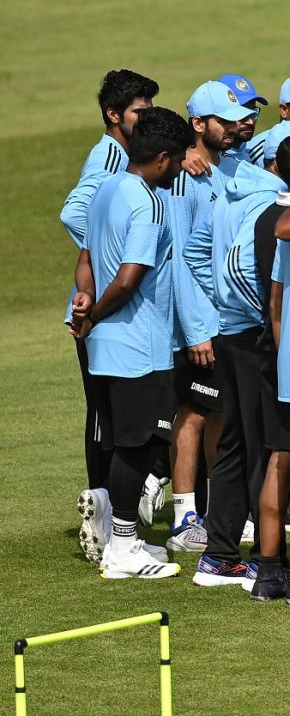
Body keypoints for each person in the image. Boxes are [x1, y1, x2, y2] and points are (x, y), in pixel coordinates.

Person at [70, 106, 193, 579]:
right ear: (162, 158)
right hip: (139, 346)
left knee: (127, 444)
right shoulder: (149, 202)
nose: (181, 167)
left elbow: (86, 257)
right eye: (179, 159)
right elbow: (127, 280)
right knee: (136, 447)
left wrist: (84, 299)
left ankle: (127, 539)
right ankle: (122, 548)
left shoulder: (105, 190)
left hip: (109, 346)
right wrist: (95, 313)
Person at [182, 119, 290, 587]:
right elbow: (236, 264)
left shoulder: (227, 194)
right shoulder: (263, 196)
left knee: (231, 444)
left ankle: (220, 553)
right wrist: (259, 314)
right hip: (249, 338)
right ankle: (266, 559)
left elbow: (195, 254)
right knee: (259, 447)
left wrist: (220, 308)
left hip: (230, 333)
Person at [227, 129, 290, 601]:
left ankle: (270, 569)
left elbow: (270, 296)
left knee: (276, 459)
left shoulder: (263, 217)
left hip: (271, 348)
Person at [62, 69, 158, 563]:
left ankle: (108, 505)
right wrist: (106, 254)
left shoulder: (119, 152)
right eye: (138, 111)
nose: (144, 119)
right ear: (113, 115)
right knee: (109, 420)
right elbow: (74, 212)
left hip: (99, 306)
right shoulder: (113, 155)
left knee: (110, 419)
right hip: (99, 309)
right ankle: (104, 508)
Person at [160, 81, 255, 553]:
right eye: (225, 120)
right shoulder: (182, 177)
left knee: (223, 416)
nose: (236, 126)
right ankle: (183, 517)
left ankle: (223, 512)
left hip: (227, 321)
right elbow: (179, 256)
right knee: (193, 414)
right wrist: (197, 328)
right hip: (198, 325)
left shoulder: (230, 166)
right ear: (199, 125)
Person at [219, 73, 268, 163]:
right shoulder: (205, 161)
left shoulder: (250, 152)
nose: (250, 121)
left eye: (253, 112)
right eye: (241, 112)